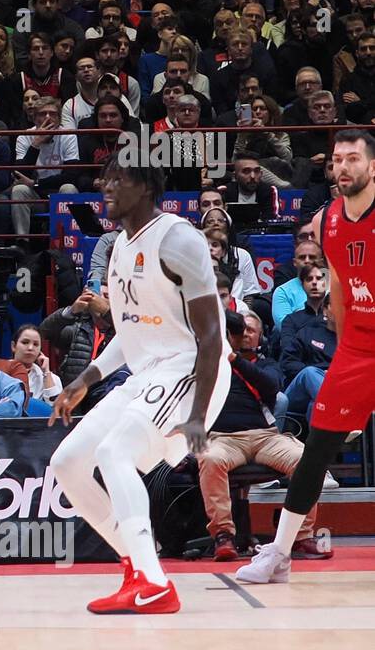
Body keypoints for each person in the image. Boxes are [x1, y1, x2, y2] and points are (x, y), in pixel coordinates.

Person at [48, 154, 231, 615]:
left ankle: (153, 582)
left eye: (118, 179)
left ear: (146, 188)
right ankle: (138, 566)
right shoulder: (118, 247)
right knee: (67, 463)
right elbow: (130, 335)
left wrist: (197, 415)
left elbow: (212, 337)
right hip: (149, 371)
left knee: (114, 454)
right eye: (105, 177)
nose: (105, 186)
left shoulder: (179, 241)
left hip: (191, 370)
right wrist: (85, 380)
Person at [238, 130, 375, 582]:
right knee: (316, 448)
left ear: (372, 166)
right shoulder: (329, 218)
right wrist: (342, 330)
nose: (344, 166)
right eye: (338, 159)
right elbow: (336, 279)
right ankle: (279, 554)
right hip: (356, 349)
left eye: (354, 158)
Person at [199, 310, 328, 563]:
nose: (245, 334)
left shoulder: (267, 364)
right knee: (211, 458)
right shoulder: (206, 364)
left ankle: (301, 536)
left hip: (265, 437)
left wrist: (235, 360)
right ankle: (223, 535)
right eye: (239, 330)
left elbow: (271, 388)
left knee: (306, 459)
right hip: (223, 439)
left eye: (250, 331)